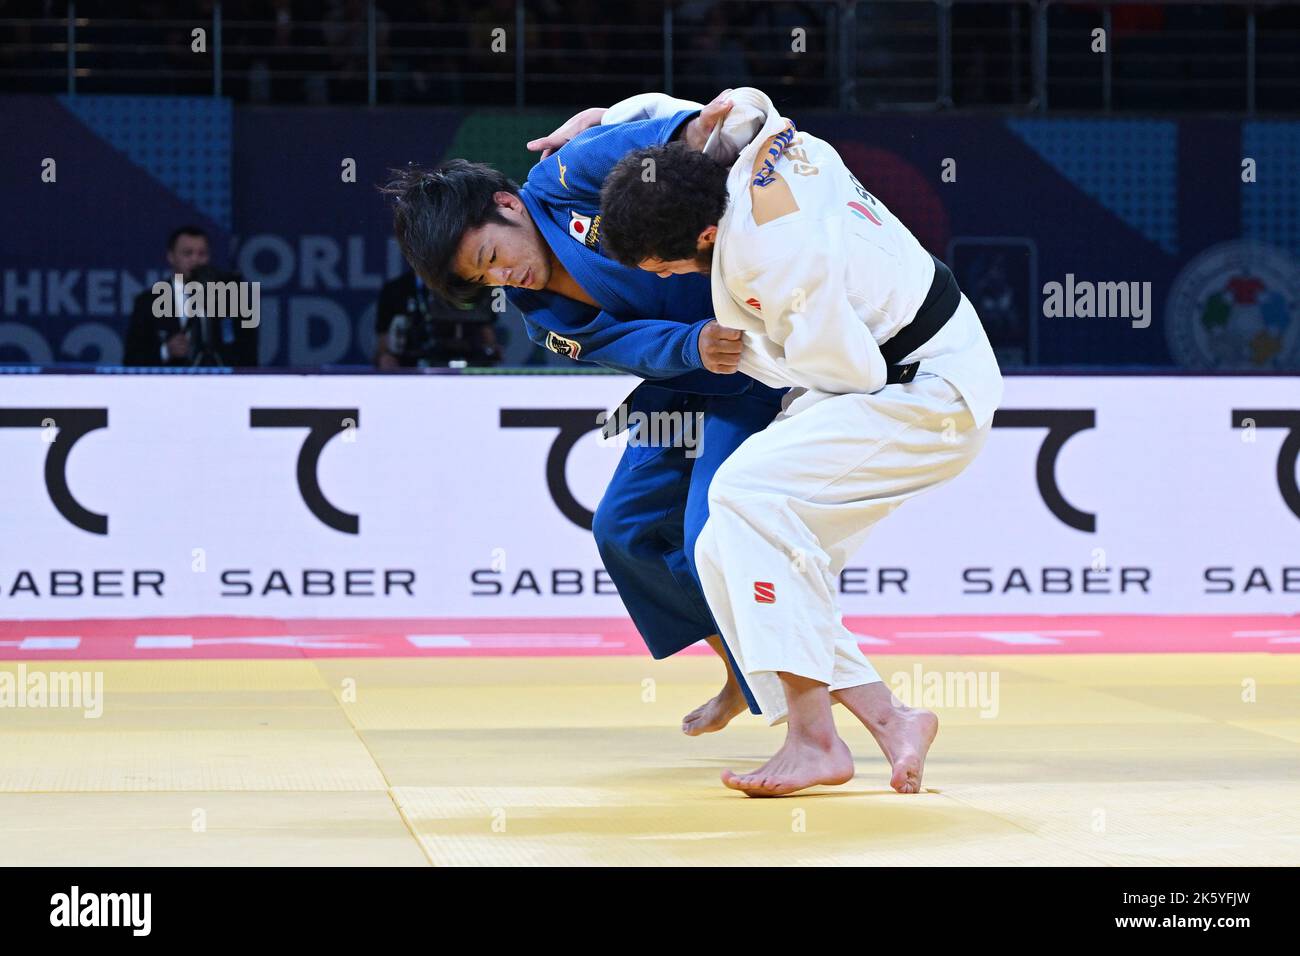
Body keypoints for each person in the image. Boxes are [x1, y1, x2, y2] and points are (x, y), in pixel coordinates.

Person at [594, 88, 1004, 796]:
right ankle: (893, 719)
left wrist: (741, 353)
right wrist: (602, 121)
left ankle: (814, 740)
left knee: (744, 492)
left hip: (930, 392)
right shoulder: (756, 143)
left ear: (702, 237)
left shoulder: (767, 261)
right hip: (911, 366)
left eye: (662, 269)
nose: (662, 282)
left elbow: (851, 371)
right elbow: (727, 105)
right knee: (724, 543)